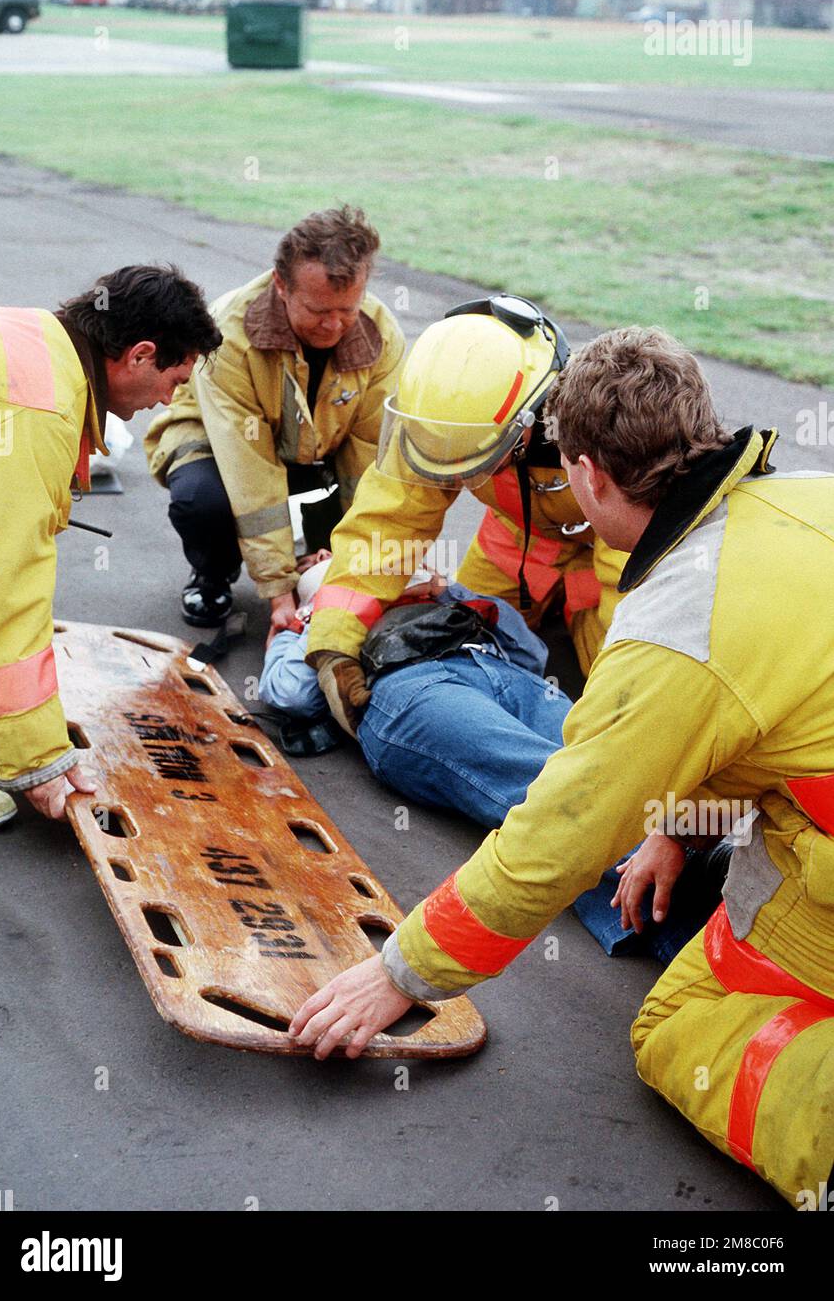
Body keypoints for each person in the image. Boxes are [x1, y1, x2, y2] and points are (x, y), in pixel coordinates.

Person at [291, 325, 834, 1209]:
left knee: (678, 1024)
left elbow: (558, 833)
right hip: (781, 814)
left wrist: (401, 972)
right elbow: (767, 703)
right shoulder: (808, 498)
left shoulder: (679, 631)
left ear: (582, 470)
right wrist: (669, 820)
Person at [264, 557, 727, 962]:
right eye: (312, 559)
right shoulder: (320, 612)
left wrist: (451, 591)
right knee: (551, 784)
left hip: (498, 669)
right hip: (410, 687)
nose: (324, 553)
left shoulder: (434, 587)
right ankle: (699, 872)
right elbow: (291, 693)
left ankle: (684, 905)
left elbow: (528, 650)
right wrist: (293, 628)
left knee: (616, 761)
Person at [304, 295, 627, 740]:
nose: (461, 477)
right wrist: (332, 644)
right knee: (473, 645)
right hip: (515, 543)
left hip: (614, 555)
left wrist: (621, 709)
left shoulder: (609, 431)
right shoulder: (438, 418)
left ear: (530, 421)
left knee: (616, 693)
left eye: (475, 462)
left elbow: (632, 578)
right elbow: (387, 527)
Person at [0, 265, 222, 827]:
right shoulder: (40, 411)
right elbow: (1, 589)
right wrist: (36, 762)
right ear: (139, 354)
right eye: (175, 380)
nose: (166, 400)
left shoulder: (38, 346)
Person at [143, 206, 406, 635]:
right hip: (219, 441)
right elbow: (250, 469)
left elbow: (372, 459)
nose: (334, 324)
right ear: (281, 285)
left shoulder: (380, 333)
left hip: (320, 444)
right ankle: (213, 574)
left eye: (348, 308)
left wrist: (354, 563)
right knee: (202, 499)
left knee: (338, 552)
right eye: (318, 309)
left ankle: (320, 556)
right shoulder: (228, 332)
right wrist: (279, 591)